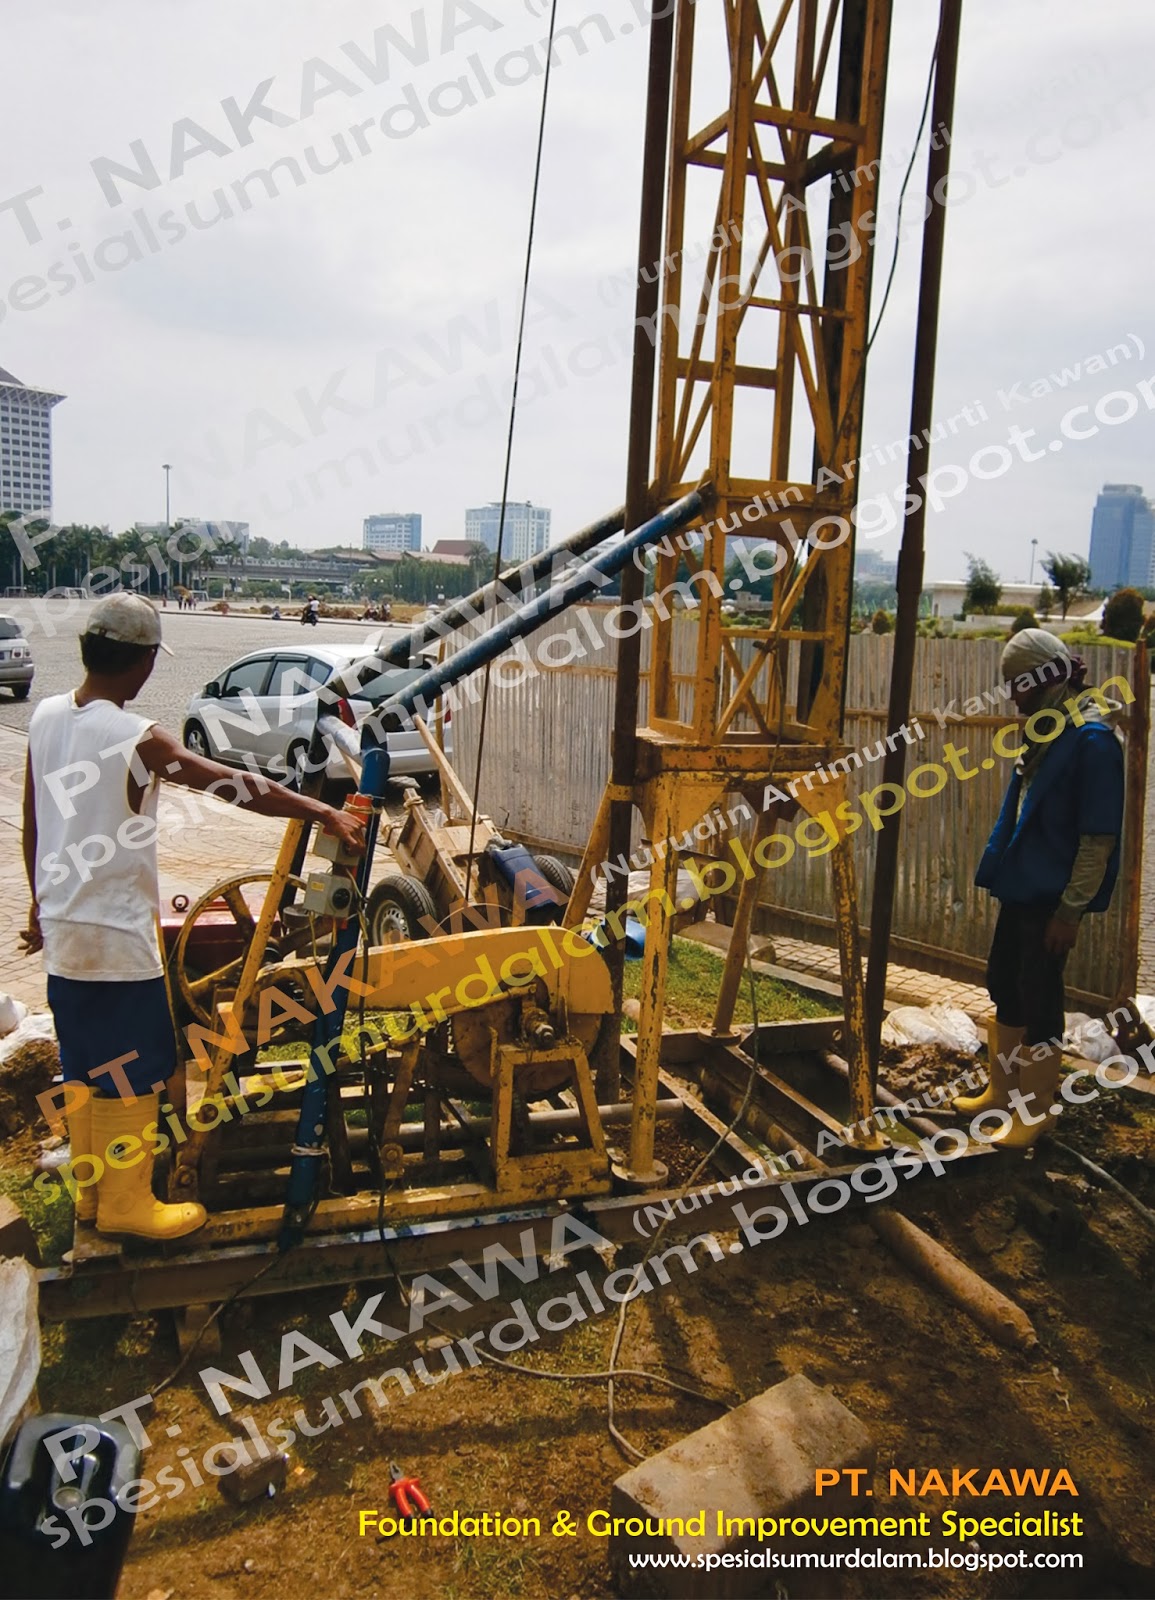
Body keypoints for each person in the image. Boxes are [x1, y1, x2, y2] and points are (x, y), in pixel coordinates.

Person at [19, 593, 365, 1240]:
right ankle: (127, 1206)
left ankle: (93, 1200)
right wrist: (323, 812)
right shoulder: (135, 737)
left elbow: (36, 823)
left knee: (87, 1064)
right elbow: (234, 785)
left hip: (65, 932)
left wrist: (40, 907)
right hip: (118, 940)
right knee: (138, 1069)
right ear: (144, 662)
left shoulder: (42, 717)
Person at [955, 629, 1125, 1146]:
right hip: (1024, 888)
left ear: (1048, 677)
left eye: (1021, 684)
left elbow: (1098, 840)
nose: (1013, 695)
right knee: (1004, 984)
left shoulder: (1093, 741)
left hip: (1052, 898)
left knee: (1041, 997)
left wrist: (1069, 912)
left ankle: (1036, 1112)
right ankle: (1002, 1094)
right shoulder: (1047, 733)